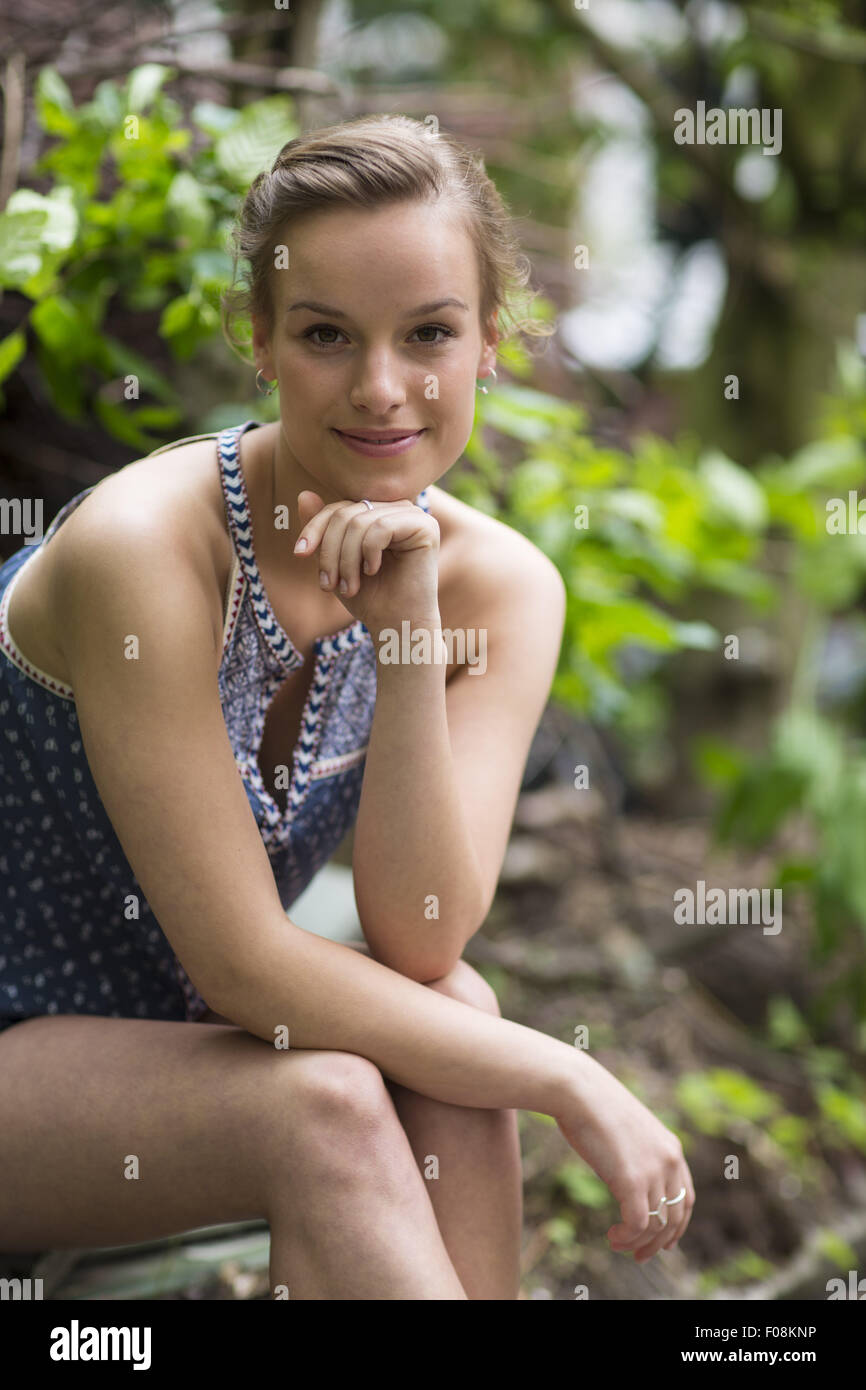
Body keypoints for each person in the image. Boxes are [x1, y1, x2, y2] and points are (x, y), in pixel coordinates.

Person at [0, 113, 693, 1299]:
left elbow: (421, 933)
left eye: (428, 332)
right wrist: (567, 1074)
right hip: (34, 1065)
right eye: (326, 335)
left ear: (490, 345)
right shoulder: (146, 549)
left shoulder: (501, 588)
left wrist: (408, 630)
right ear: (259, 341)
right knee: (324, 1106)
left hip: (179, 1070)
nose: (381, 391)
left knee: (450, 1017)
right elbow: (246, 971)